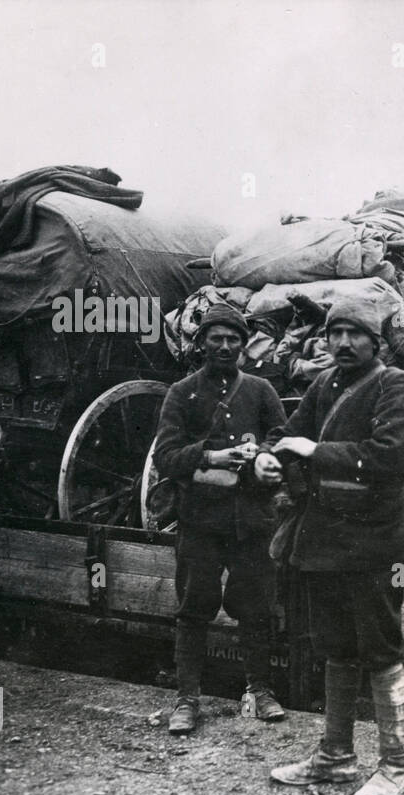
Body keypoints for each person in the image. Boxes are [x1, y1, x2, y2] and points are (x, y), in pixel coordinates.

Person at [257, 294, 404, 795]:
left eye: (356, 335)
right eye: (335, 334)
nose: (344, 343)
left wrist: (314, 453)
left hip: (375, 542)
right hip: (326, 540)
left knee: (380, 647)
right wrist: (269, 457)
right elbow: (288, 433)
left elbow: (389, 457)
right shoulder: (323, 384)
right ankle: (335, 755)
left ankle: (395, 766)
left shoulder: (396, 385)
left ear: (376, 343)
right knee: (336, 645)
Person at [153, 304, 289, 734]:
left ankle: (261, 691)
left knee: (256, 608)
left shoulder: (261, 391)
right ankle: (187, 700)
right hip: (200, 521)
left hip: (251, 519)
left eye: (233, 339)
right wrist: (211, 455)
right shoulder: (182, 393)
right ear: (202, 343)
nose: (226, 347)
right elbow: (166, 457)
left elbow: (280, 438)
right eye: (217, 339)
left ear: (244, 346)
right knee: (194, 609)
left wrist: (265, 455)